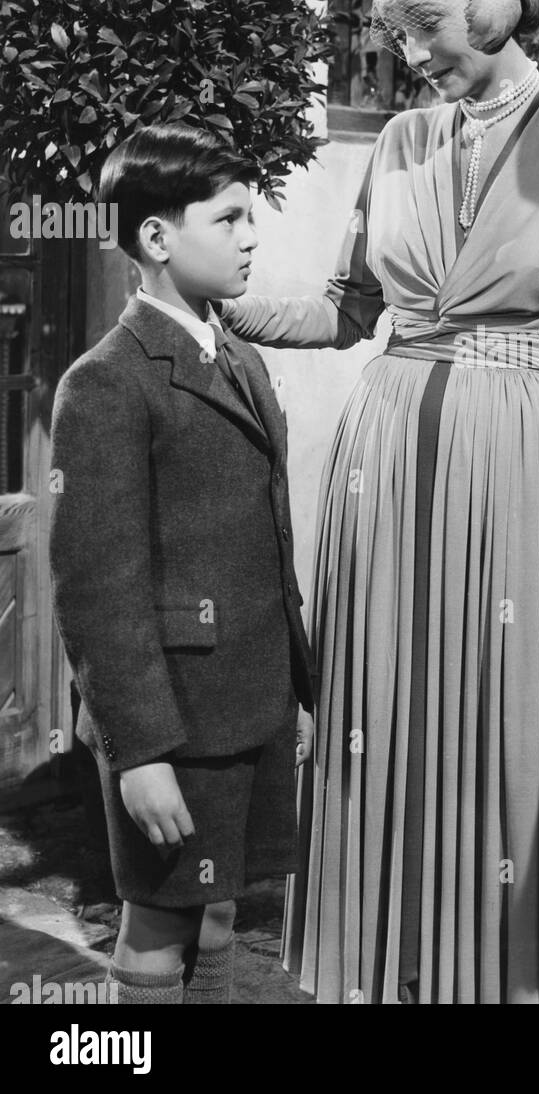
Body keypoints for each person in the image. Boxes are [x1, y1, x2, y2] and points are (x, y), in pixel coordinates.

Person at [219, 0, 539, 1004]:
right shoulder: (400, 144)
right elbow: (349, 311)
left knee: (502, 738)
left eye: (426, 23)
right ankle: (381, 977)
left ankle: (495, 980)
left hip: (514, 472)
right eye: (391, 36)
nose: (412, 55)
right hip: (382, 466)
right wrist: (215, 304)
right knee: (373, 728)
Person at [49, 125, 316, 1004]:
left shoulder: (236, 356)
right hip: (176, 720)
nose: (251, 236)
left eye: (252, 217)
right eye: (229, 217)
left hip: (252, 701)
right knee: (160, 920)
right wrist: (139, 753)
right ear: (157, 238)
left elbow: (267, 539)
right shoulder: (107, 381)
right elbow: (97, 589)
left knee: (221, 911)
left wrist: (296, 691)